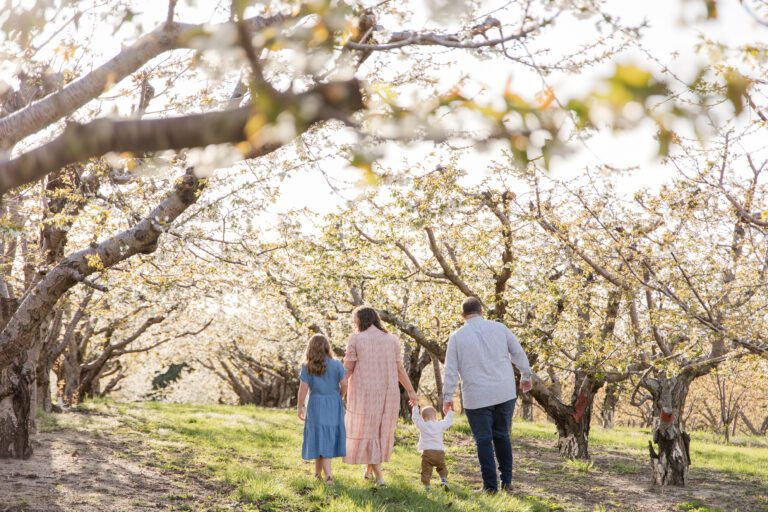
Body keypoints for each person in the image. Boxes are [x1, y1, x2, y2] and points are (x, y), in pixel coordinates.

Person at [442, 297, 533, 494]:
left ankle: (490, 487)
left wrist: (447, 397)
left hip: (477, 395)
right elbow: (518, 352)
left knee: (483, 440)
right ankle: (507, 482)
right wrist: (526, 375)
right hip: (504, 391)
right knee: (502, 435)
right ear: (481, 311)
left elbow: (450, 370)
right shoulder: (500, 328)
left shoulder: (457, 337)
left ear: (463, 315)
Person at [343, 306, 417, 486]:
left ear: (360, 319)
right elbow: (399, 369)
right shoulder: (392, 339)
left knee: (368, 430)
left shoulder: (356, 338)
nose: (354, 322)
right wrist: (410, 390)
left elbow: (348, 369)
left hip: (364, 392)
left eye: (355, 319)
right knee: (378, 430)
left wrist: (339, 390)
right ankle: (369, 470)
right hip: (388, 392)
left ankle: (380, 477)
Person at [297, 334, 347, 485]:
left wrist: (299, 407)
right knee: (326, 436)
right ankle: (317, 474)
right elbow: (345, 384)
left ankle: (329, 476)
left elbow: (303, 389)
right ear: (327, 347)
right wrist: (340, 396)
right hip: (333, 403)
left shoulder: (307, 366)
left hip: (316, 403)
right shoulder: (336, 364)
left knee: (320, 435)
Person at [412, 404, 454, 492]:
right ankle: (443, 480)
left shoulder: (423, 425)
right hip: (439, 453)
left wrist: (415, 407)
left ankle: (427, 487)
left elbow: (415, 419)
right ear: (435, 416)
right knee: (442, 467)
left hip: (428, 453)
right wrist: (450, 412)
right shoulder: (439, 425)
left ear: (424, 418)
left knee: (426, 470)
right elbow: (448, 421)